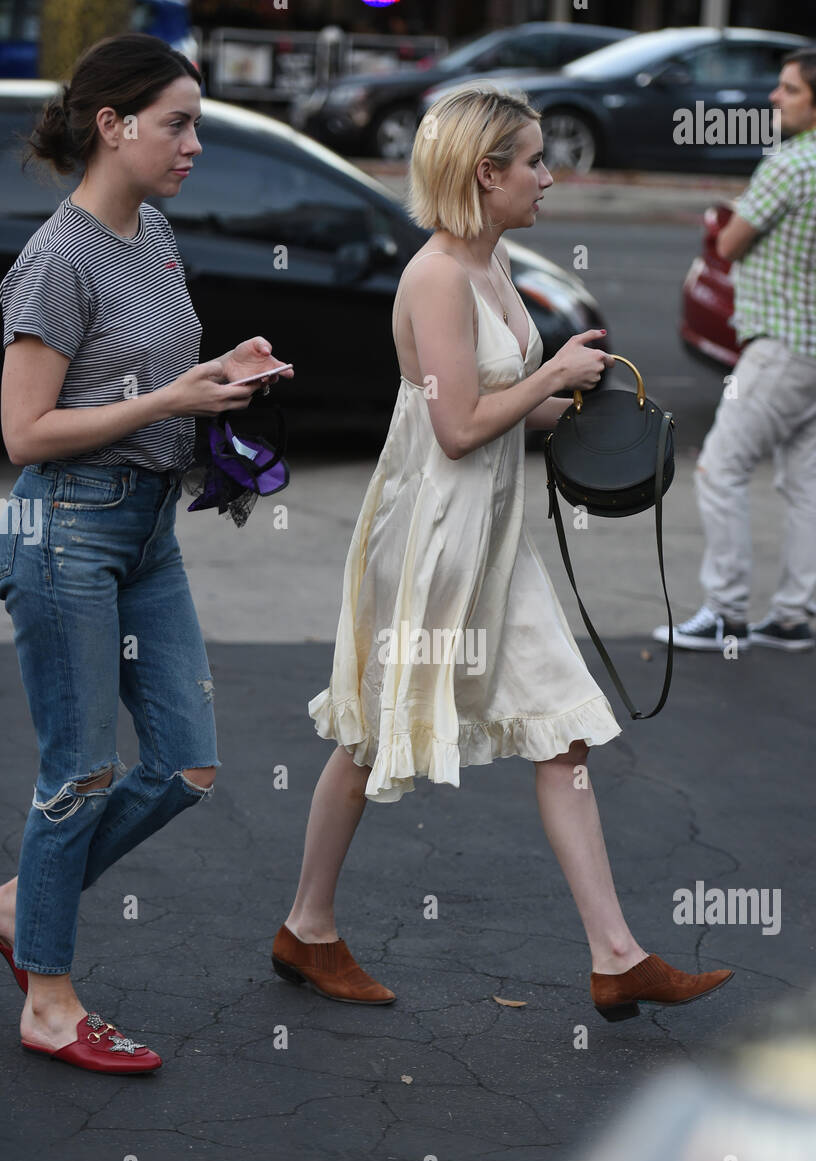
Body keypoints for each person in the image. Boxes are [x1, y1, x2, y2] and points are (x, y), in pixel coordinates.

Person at [271, 87, 733, 1022]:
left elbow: (501, 410)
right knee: (368, 732)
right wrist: (551, 374)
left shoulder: (491, 263)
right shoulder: (438, 274)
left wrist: (591, 410)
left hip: (492, 538)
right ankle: (307, 929)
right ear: (487, 173)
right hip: (431, 540)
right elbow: (454, 428)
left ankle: (616, 955)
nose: (549, 176)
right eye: (533, 161)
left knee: (559, 728)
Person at [0, 33, 292, 1074]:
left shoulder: (153, 230)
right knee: (79, 775)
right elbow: (24, 433)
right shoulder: (57, 257)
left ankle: (20, 903)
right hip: (63, 528)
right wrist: (172, 399)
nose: (194, 143)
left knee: (188, 763)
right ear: (113, 127)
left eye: (198, 123)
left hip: (146, 531)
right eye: (177, 123)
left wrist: (219, 372)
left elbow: (140, 372)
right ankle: (48, 998)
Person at [654, 48, 816, 654]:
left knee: (720, 469)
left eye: (789, 89)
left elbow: (732, 239)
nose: (774, 97)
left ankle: (725, 612)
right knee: (805, 479)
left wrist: (733, 224)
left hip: (783, 346)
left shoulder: (789, 163)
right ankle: (792, 615)